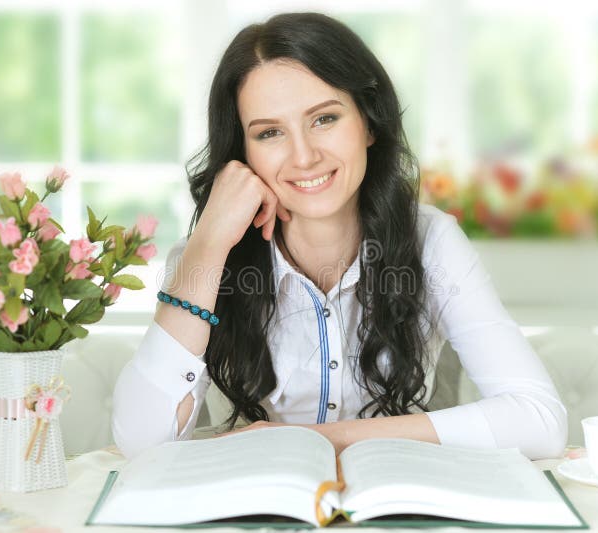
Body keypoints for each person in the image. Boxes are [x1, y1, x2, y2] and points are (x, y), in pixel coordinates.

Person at [112, 12, 567, 461]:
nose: (304, 156)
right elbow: (141, 442)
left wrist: (325, 438)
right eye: (270, 132)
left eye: (324, 119)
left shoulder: (431, 240)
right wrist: (208, 242)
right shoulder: (202, 259)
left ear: (368, 122)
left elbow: (540, 420)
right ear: (242, 153)